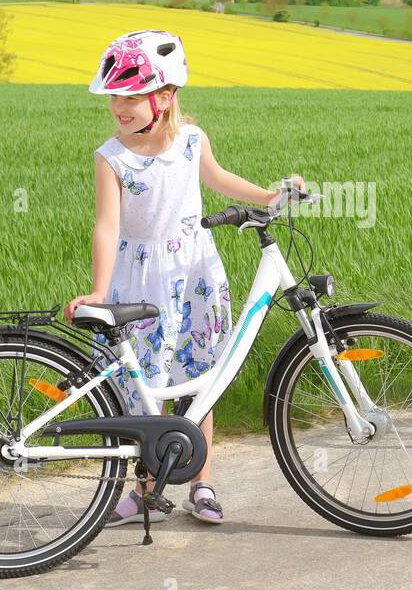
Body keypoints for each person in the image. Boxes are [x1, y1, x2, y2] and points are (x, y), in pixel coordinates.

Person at [64, 29, 301, 524]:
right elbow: (106, 227)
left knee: (199, 381)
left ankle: (203, 482)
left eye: (131, 96)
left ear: (166, 96)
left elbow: (218, 179)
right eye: (114, 97)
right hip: (141, 279)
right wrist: (101, 292)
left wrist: (268, 196)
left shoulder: (192, 141)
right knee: (142, 388)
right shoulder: (112, 157)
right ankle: (145, 488)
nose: (119, 107)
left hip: (194, 274)